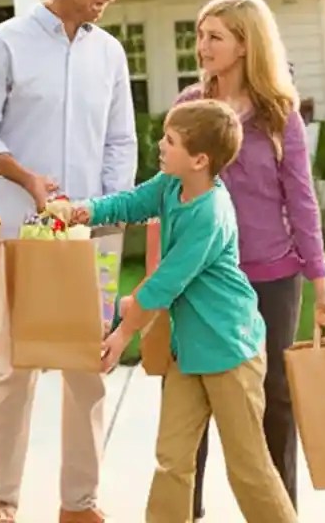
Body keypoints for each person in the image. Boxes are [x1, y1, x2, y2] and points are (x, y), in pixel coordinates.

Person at [0, 0, 138, 523]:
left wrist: (112, 210)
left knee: (88, 373)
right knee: (17, 370)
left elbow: (120, 140)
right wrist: (26, 178)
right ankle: (1, 501)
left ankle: (79, 503)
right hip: (19, 235)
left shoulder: (108, 53)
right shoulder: (3, 44)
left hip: (91, 235)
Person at [64, 98, 297, 523]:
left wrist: (120, 335)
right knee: (172, 461)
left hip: (230, 353)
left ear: (200, 159)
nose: (161, 145)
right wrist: (86, 209)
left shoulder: (211, 214)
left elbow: (163, 286)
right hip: (188, 355)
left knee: (248, 468)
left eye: (170, 141)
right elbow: (133, 203)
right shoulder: (171, 185)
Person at [176, 0, 325, 517]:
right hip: (202, 277)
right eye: (200, 35)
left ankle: (279, 511)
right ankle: (188, 510)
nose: (201, 47)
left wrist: (322, 286)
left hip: (271, 274)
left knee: (274, 392)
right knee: (194, 394)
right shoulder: (190, 107)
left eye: (214, 37)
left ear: (246, 45)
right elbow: (170, 189)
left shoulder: (279, 116)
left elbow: (301, 201)